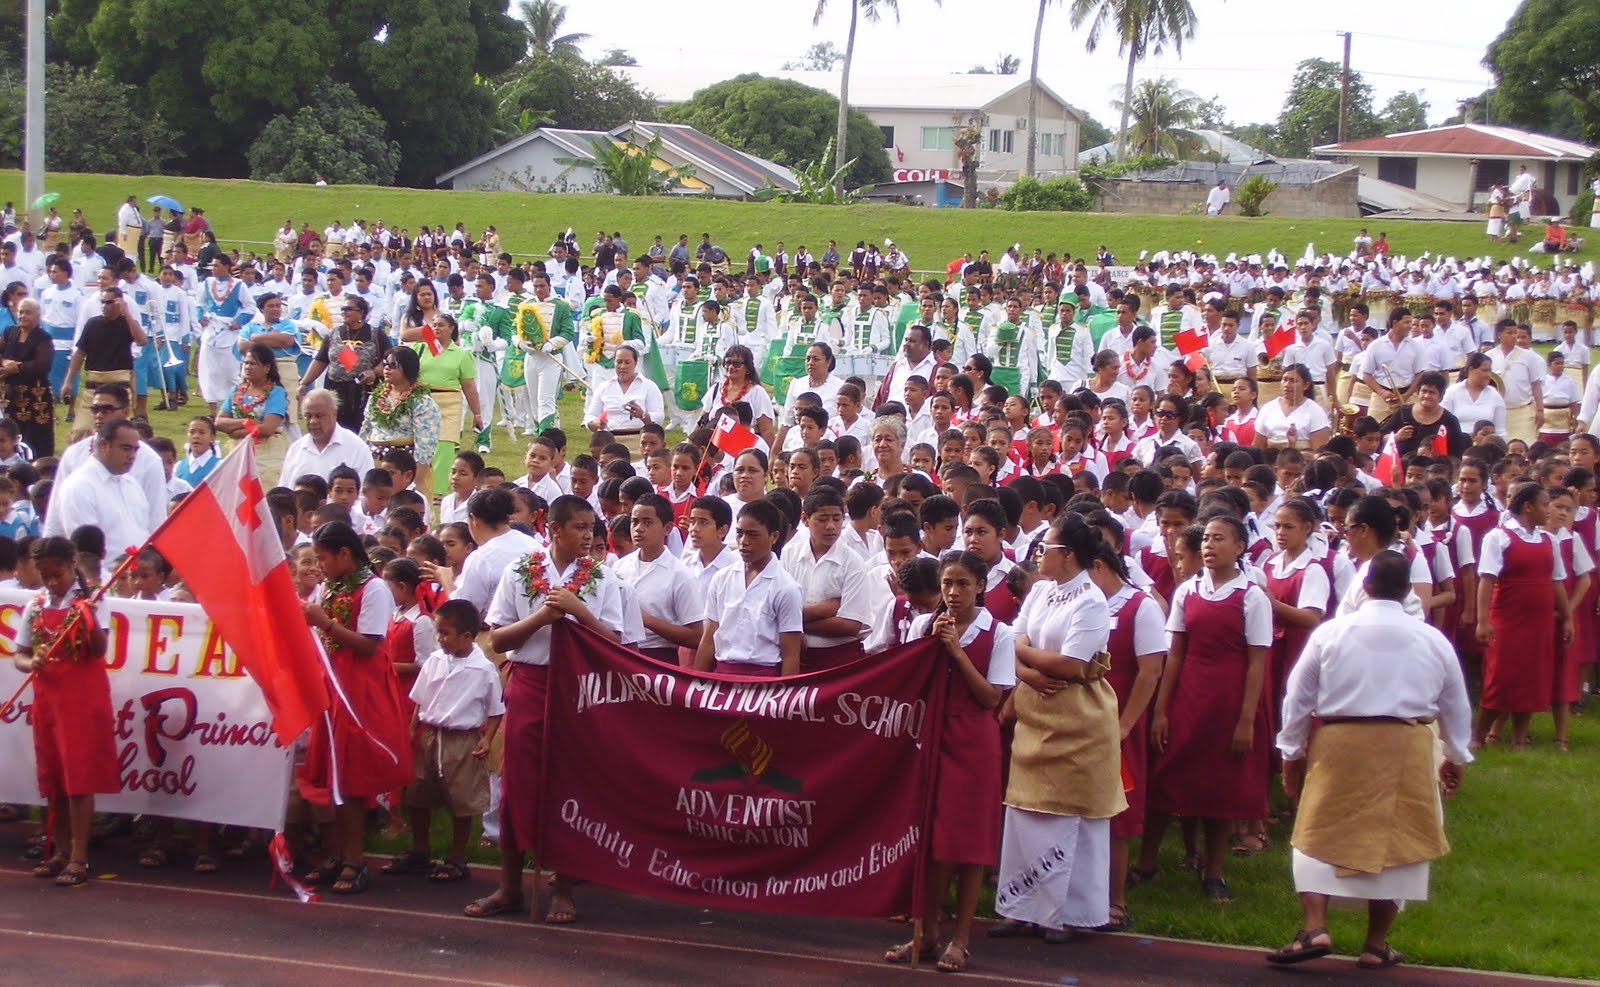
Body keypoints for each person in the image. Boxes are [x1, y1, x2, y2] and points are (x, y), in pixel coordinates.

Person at [1267, 552, 1472, 971]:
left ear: (1364, 586)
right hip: (1406, 743)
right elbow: (1455, 703)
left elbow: (1298, 696)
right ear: (1405, 592)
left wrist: (1291, 751)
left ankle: (1315, 926)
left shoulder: (1331, 633)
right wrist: (1455, 755)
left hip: (1341, 741)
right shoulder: (1432, 639)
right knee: (1399, 842)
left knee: (1316, 829)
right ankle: (1375, 943)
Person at [471, 494, 632, 923]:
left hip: (576, 690)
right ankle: (509, 887)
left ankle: (563, 887)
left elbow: (616, 644)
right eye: (578, 527)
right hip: (530, 686)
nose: (587, 536)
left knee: (569, 787)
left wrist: (579, 612)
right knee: (516, 786)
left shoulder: (601, 577)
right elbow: (499, 640)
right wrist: (541, 618)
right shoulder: (521, 571)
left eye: (591, 528)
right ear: (554, 529)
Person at [994, 514, 1124, 940]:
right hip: (1036, 711)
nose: (1037, 555)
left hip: (1078, 717)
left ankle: (1068, 913)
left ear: (1067, 555)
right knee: (1026, 812)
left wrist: (1026, 657)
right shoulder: (1042, 591)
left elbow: (1071, 664)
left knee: (1073, 816)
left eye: (1044, 548)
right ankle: (1022, 907)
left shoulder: (1090, 599)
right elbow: (1013, 638)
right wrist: (1027, 671)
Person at [887, 551, 1014, 973]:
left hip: (975, 741)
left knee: (970, 842)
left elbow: (992, 698)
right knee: (931, 839)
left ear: (980, 586)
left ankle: (961, 937)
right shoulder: (925, 626)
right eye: (946, 585)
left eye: (962, 584)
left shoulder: (999, 634)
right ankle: (926, 931)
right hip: (932, 736)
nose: (953, 593)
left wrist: (956, 652)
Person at [1139, 514, 1272, 902]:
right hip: (1189, 695)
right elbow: (1175, 655)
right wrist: (1162, 710)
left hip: (1228, 700)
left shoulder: (1251, 596)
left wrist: (1246, 719)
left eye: (1220, 539)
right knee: (1167, 776)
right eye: (1206, 540)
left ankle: (1214, 871)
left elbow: (1257, 662)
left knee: (1220, 787)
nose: (1210, 546)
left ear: (1240, 547)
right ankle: (1147, 862)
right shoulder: (1187, 592)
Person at [298, 521, 413, 896]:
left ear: (345, 555)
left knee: (351, 778)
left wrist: (325, 622)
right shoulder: (331, 586)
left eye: (323, 558)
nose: (319, 567)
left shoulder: (374, 588)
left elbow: (368, 645)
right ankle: (334, 854)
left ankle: (355, 858)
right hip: (333, 687)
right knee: (328, 776)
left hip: (360, 692)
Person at [14, 535, 120, 888]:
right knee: (54, 775)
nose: (51, 582)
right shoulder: (37, 604)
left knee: (78, 777)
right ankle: (59, 849)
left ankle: (79, 855)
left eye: (56, 574)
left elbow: (99, 649)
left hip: (81, 696)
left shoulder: (91, 601)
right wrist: (33, 661)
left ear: (71, 566)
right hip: (48, 697)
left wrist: (87, 616)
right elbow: (20, 655)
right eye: (44, 576)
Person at [386, 599, 504, 884]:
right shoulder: (435, 661)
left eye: (446, 633)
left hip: (462, 739)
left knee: (461, 799)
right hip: (429, 735)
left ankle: (458, 856)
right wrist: (411, 731)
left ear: (467, 636)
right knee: (417, 794)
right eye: (438, 633)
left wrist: (487, 739)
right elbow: (419, 699)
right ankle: (420, 849)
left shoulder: (483, 669)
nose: (440, 639)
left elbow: (496, 710)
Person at [1084, 538, 1164, 933]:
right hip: (1083, 719)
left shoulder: (1140, 606)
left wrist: (1128, 724)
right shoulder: (1086, 604)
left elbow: (1150, 671)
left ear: (1099, 565)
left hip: (1117, 722)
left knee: (1119, 811)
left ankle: (1116, 899)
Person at [1474, 482, 1571, 749]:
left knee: (1531, 677)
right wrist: (1483, 620)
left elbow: (1557, 581)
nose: (1547, 510)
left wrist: (1567, 617)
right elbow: (1486, 579)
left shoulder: (1549, 540)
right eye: (1543, 505)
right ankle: (1478, 736)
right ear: (1528, 506)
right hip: (1507, 618)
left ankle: (1520, 738)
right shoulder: (1499, 537)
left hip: (1539, 622)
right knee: (1501, 676)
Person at [695, 500, 804, 676]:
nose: (744, 542)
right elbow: (708, 640)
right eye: (739, 534)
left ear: (773, 537)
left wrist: (784, 697)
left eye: (753, 535)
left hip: (764, 680)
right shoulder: (722, 578)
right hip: (722, 674)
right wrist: (695, 685)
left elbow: (791, 655)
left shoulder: (786, 587)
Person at [614, 493, 702, 665]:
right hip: (620, 654)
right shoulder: (619, 567)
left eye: (647, 522)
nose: (639, 528)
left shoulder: (680, 575)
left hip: (658, 661)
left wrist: (644, 618)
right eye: (634, 521)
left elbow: (696, 636)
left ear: (667, 528)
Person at [48, 417, 154, 552]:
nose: (132, 455)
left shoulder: (132, 485)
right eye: (126, 448)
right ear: (104, 445)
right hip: (103, 572)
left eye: (135, 449)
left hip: (136, 570)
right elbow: (86, 553)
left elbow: (143, 532)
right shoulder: (79, 486)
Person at [413, 312, 484, 493]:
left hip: (449, 403)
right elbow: (404, 337)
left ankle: (438, 491)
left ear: (452, 329)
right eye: (434, 325)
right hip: (423, 402)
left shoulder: (461, 355)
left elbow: (469, 387)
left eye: (441, 325)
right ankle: (419, 487)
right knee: (421, 446)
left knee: (444, 447)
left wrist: (477, 414)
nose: (437, 328)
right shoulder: (420, 349)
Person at [62, 286, 144, 441]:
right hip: (93, 386)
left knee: (117, 433)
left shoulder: (127, 323)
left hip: (119, 386)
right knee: (82, 433)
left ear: (119, 303)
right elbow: (80, 353)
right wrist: (68, 380)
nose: (104, 306)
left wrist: (126, 313)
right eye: (103, 302)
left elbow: (141, 340)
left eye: (109, 302)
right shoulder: (93, 324)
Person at [300, 295, 391, 433]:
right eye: (342, 309)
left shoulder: (376, 334)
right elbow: (321, 360)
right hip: (336, 390)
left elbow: (387, 360)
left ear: (361, 312)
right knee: (335, 430)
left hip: (364, 392)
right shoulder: (334, 334)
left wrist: (374, 372)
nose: (344, 312)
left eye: (348, 309)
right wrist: (304, 383)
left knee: (361, 431)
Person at [360, 347, 443, 493]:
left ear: (408, 368)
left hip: (404, 468)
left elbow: (425, 445)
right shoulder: (376, 396)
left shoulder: (421, 401)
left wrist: (415, 482)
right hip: (373, 463)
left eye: (393, 365)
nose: (386, 368)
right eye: (385, 364)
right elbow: (365, 429)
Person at [214, 342, 290, 486]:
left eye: (253, 363)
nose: (248, 367)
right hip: (238, 451)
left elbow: (268, 428)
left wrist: (235, 432)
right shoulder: (237, 390)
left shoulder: (276, 392)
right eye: (246, 363)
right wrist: (246, 423)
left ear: (267, 368)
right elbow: (219, 422)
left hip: (267, 454)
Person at [0, 297, 58, 456]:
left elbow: (43, 365)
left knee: (35, 435)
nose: (23, 316)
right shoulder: (10, 332)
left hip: (34, 398)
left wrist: (17, 367)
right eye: (20, 312)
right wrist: (5, 363)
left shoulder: (43, 338)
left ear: (37, 316)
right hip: (9, 395)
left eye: (28, 313)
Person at [280, 388, 375, 483]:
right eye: (308, 416)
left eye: (319, 416)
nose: (313, 421)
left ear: (334, 414)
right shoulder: (296, 450)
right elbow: (284, 490)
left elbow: (365, 493)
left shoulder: (356, 447)